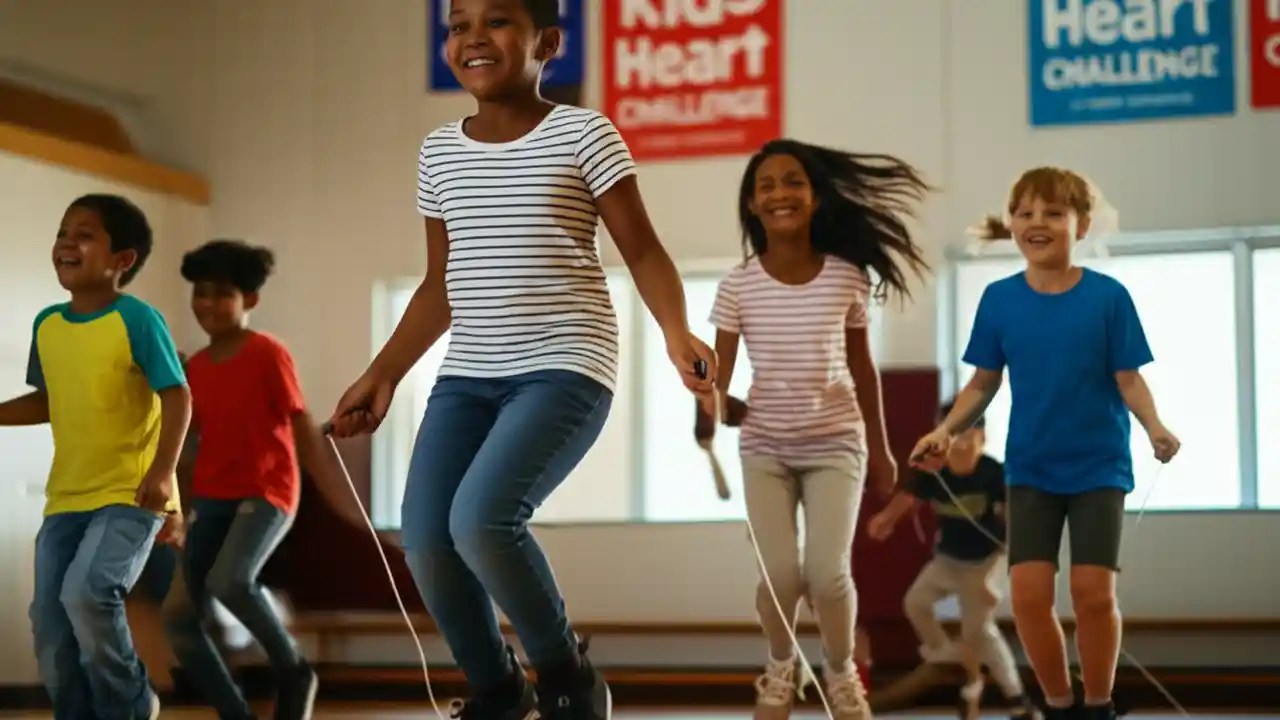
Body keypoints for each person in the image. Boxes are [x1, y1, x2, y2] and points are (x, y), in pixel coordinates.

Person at [326, 1, 716, 718]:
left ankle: (567, 676)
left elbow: (643, 249)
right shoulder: (439, 152)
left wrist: (675, 331)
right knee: (426, 538)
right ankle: (497, 690)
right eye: (458, 24)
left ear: (549, 43)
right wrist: (383, 372)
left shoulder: (584, 133)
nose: (473, 37)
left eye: (497, 20)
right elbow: (440, 284)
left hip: (565, 364)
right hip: (468, 375)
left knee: (482, 519)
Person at [909, 167, 1180, 720]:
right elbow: (983, 383)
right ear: (1011, 223)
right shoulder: (999, 300)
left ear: (1079, 226)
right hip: (1031, 469)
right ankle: (1058, 705)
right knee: (1029, 596)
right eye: (1025, 212)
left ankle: (1098, 704)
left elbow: (1128, 377)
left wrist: (1155, 426)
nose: (1038, 223)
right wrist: (945, 430)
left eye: (1053, 213)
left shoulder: (1108, 297)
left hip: (1100, 466)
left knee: (1092, 593)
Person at [700, 138, 931, 720]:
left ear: (815, 196)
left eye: (793, 181)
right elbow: (720, 383)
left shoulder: (847, 279)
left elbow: (862, 368)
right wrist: (708, 405)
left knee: (827, 578)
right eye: (767, 186)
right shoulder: (738, 286)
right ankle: (780, 667)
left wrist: (882, 450)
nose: (780, 193)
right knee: (780, 575)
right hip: (765, 449)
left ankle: (840, 670)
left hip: (837, 445)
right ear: (752, 205)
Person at [0, 194, 190, 720]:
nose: (66, 241)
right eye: (63, 231)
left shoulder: (137, 319)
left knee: (88, 594)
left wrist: (164, 472)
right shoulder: (48, 325)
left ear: (122, 260)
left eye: (84, 234)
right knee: (49, 623)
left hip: (131, 493)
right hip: (66, 498)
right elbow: (47, 399)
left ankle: (130, 703)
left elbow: (177, 394)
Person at [163, 239, 347, 720]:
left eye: (221, 293)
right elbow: (187, 445)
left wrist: (334, 494)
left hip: (267, 494)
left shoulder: (268, 352)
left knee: (230, 579)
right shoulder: (194, 369)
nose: (208, 304)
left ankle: (294, 669)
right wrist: (176, 509)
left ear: (249, 300)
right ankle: (234, 711)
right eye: (199, 293)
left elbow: (301, 424)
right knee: (179, 617)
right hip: (212, 498)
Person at [868, 400, 1034, 720]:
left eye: (967, 431)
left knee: (979, 631)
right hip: (947, 560)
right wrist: (886, 519)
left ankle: (1016, 697)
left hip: (983, 564)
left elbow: (1014, 526)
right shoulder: (934, 473)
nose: (958, 442)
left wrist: (998, 576)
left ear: (982, 437)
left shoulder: (994, 474)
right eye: (950, 432)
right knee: (916, 603)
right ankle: (946, 658)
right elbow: (909, 497)